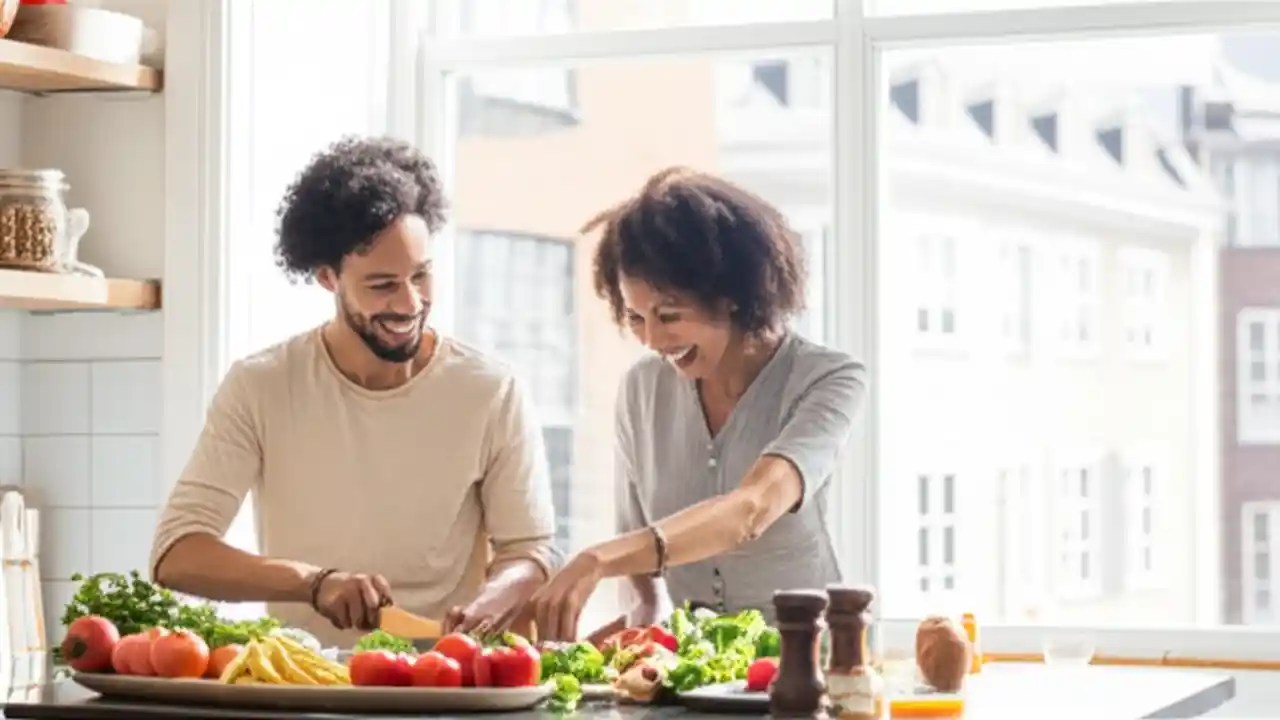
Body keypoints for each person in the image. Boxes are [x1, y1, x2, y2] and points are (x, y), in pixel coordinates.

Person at [150, 136, 562, 648]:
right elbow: (177, 554)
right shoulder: (261, 386)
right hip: (308, 682)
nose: (410, 302)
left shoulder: (490, 390)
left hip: (445, 680)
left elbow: (530, 551)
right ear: (328, 277)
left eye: (422, 275)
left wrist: (493, 600)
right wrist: (314, 583)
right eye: (383, 284)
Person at [528, 167, 867, 641]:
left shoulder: (829, 379)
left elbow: (754, 506)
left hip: (804, 663)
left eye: (669, 316)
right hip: (696, 663)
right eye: (635, 317)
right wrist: (628, 626)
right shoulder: (641, 391)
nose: (651, 338)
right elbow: (643, 590)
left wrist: (596, 559)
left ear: (729, 295)